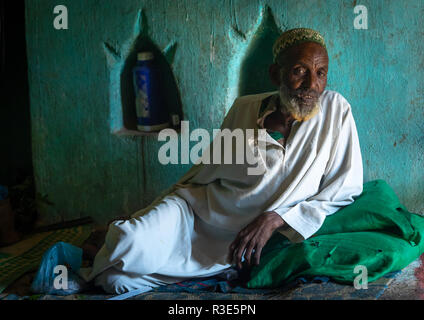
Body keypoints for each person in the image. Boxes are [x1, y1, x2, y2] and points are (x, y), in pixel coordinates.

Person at [80, 28, 363, 294]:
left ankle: (106, 250)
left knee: (114, 281)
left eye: (321, 73)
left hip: (235, 237)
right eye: (300, 70)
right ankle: (113, 239)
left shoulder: (336, 111)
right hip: (194, 213)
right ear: (276, 74)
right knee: (128, 241)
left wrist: (277, 219)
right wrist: (149, 212)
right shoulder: (245, 109)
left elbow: (344, 189)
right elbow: (204, 173)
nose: (311, 84)